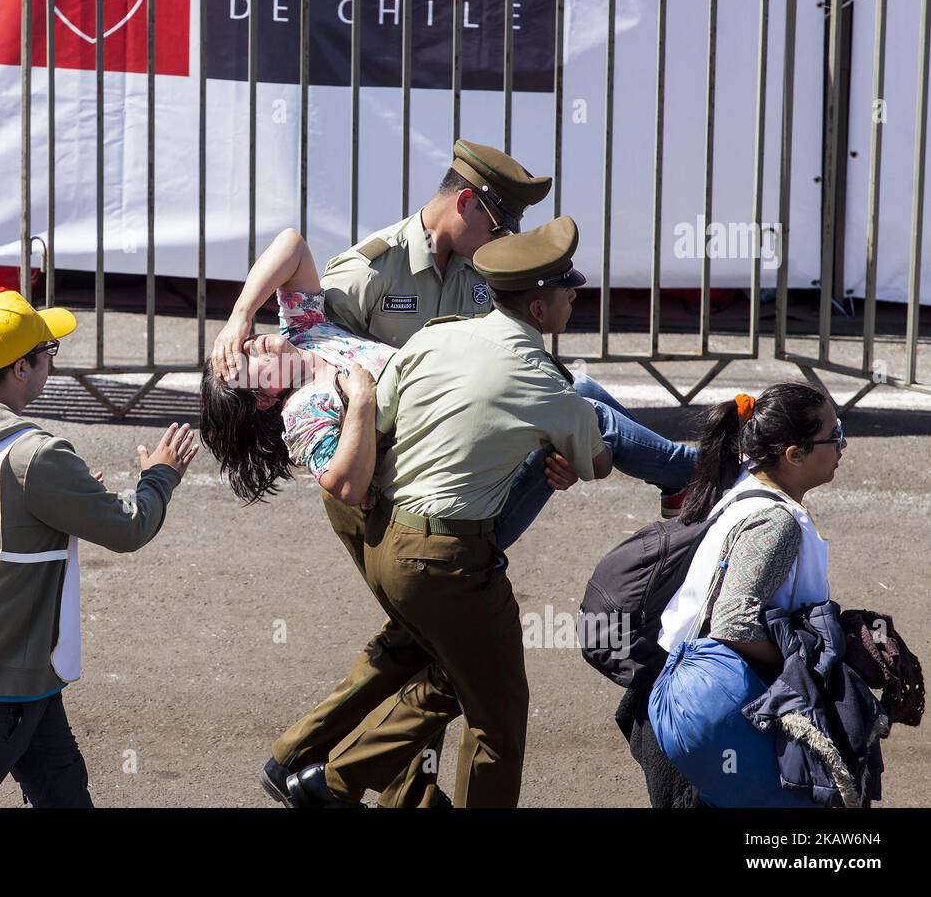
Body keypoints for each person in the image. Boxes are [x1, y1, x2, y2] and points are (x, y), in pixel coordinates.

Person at [204, 215, 695, 805]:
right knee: (466, 677)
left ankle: (308, 766)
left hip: (447, 470)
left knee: (413, 650)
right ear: (261, 394)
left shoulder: (305, 329)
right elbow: (350, 485)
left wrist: (236, 318)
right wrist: (359, 400)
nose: (253, 344)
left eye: (245, 344)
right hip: (424, 503)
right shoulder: (303, 411)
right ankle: (691, 476)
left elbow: (291, 245)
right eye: (245, 362)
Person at [282, 217, 614, 807]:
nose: (574, 297)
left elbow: (380, 424)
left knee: (428, 665)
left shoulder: (435, 338)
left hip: (384, 535)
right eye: (568, 289)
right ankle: (332, 783)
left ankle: (300, 760)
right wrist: (552, 449)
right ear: (538, 308)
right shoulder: (545, 382)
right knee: (499, 719)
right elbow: (598, 458)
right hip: (450, 561)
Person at [0, 290, 198, 808]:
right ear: (20, 369)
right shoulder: (36, 455)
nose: (51, 361)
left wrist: (61, 499)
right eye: (47, 352)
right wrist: (159, 476)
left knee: (62, 791)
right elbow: (128, 529)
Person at [621, 382, 844, 807]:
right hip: (712, 723)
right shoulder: (774, 522)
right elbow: (733, 623)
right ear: (793, 455)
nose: (842, 445)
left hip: (683, 707)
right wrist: (806, 666)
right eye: (834, 436)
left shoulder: (741, 485)